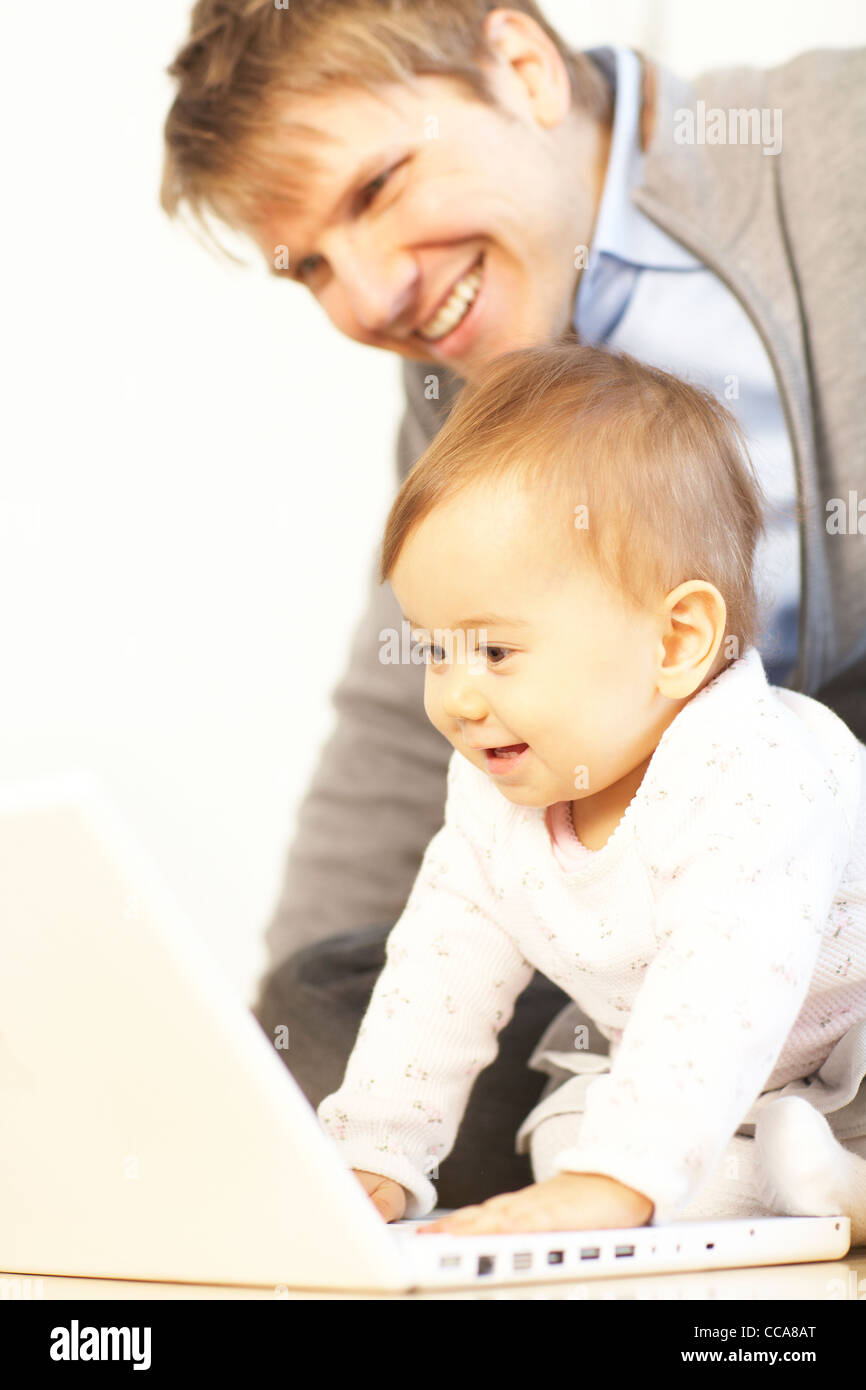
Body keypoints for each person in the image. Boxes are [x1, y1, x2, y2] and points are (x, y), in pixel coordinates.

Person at [159, 1, 866, 1205]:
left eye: (377, 187)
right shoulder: (457, 389)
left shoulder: (830, 144)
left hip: (829, 885)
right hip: (672, 927)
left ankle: (717, 1157)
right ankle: (697, 1169)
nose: (367, 297)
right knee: (318, 1005)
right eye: (313, 263)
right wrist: (273, 1084)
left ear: (524, 67)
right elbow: (399, 738)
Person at [321, 343, 866, 1241]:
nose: (456, 698)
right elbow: (438, 968)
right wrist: (373, 1155)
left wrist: (619, 1181)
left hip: (845, 1047)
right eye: (431, 649)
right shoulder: (495, 793)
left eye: (494, 651)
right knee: (568, 1132)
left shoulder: (758, 773)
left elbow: (720, 987)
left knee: (620, 1169)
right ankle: (800, 1182)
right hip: (736, 1099)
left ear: (677, 640)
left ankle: (839, 1180)